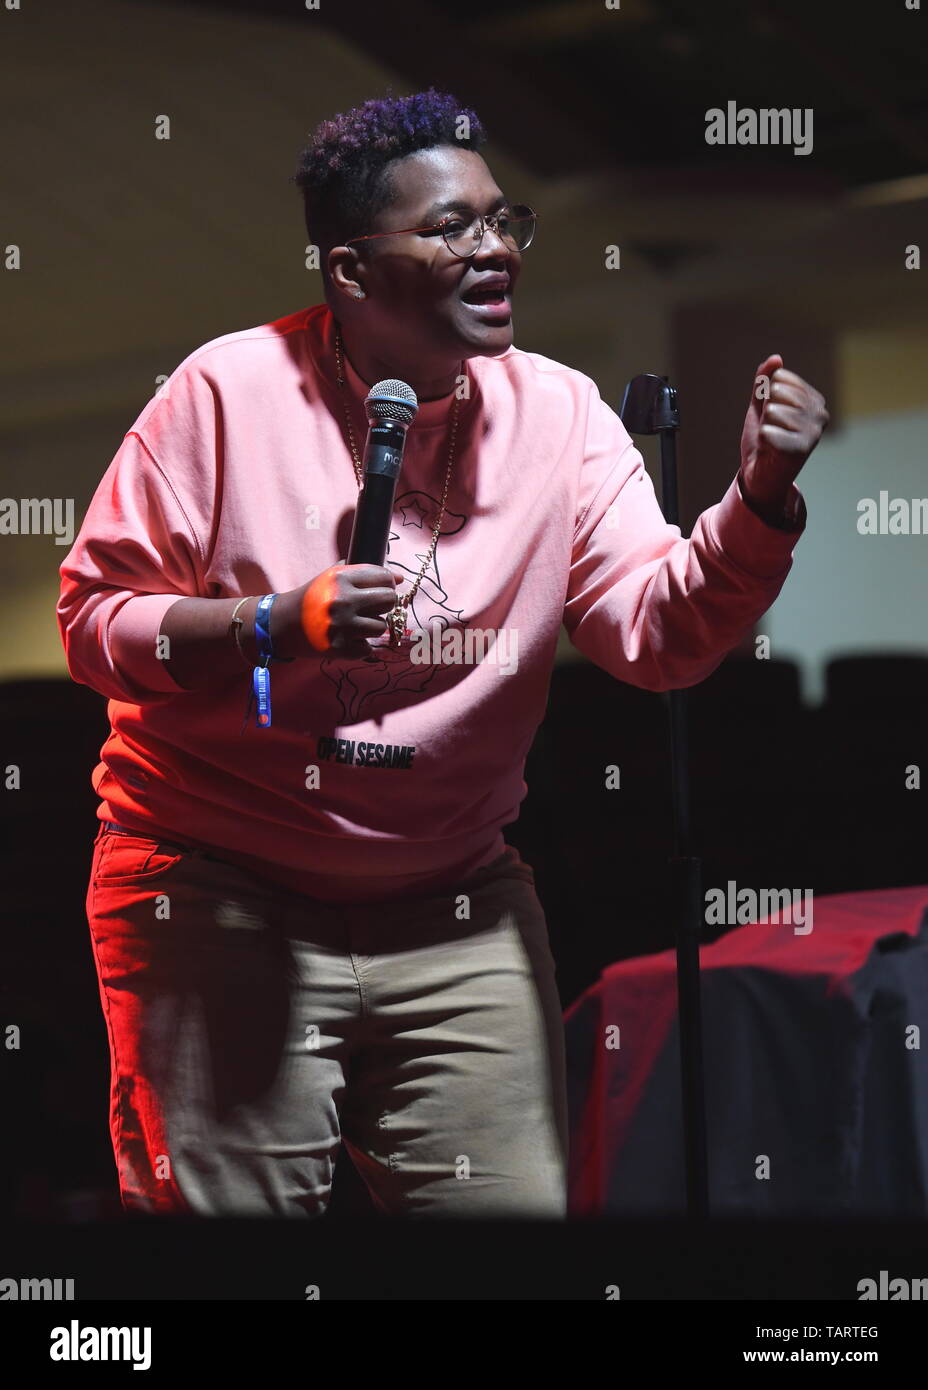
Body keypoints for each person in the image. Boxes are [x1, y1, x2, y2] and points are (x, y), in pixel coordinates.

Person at [56, 88, 829, 1219]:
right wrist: (272, 623)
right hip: (218, 893)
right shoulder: (224, 392)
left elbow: (657, 636)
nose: (493, 249)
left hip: (455, 902)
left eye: (502, 220)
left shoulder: (560, 415)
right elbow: (92, 624)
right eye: (451, 228)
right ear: (351, 271)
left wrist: (758, 497)